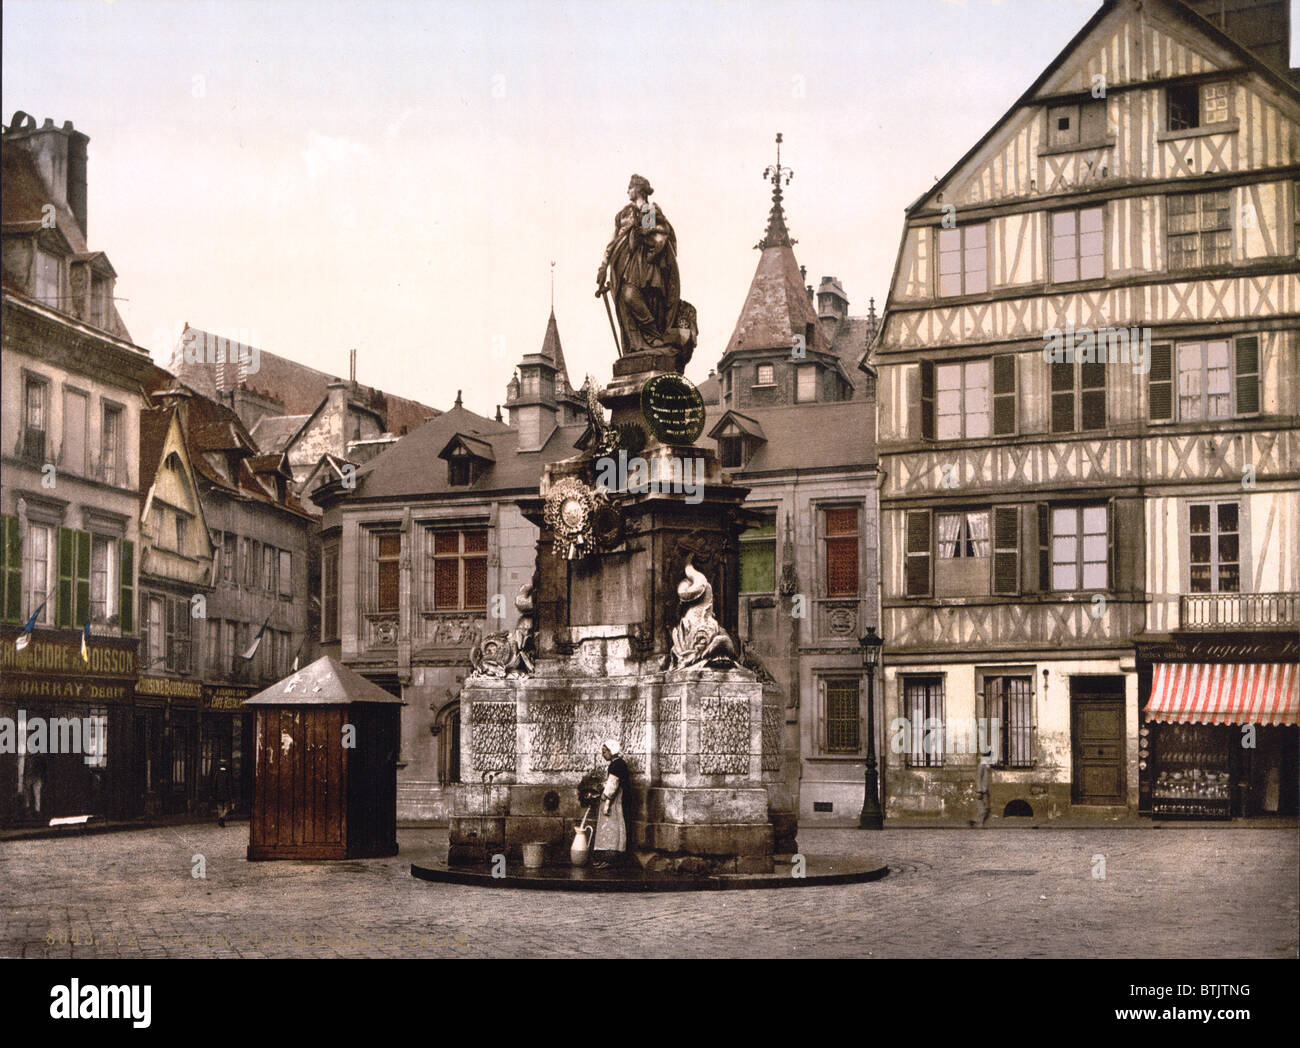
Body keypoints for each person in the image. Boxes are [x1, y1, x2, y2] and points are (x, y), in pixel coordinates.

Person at [595, 174, 697, 370]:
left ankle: (653, 338)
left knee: (631, 295)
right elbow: (612, 242)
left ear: (638, 189)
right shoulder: (623, 214)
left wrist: (639, 228)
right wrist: (603, 266)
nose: (627, 191)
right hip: (623, 264)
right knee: (626, 302)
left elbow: (653, 234)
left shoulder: (648, 209)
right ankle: (636, 345)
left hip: (645, 265)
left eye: (630, 187)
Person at [591, 739, 632, 869]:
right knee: (617, 827)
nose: (603, 755)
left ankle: (609, 857)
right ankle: (612, 857)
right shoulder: (619, 763)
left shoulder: (615, 765)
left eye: (604, 752)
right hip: (619, 799)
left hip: (615, 801)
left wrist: (606, 802)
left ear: (611, 751)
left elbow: (613, 786)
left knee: (609, 827)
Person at [973, 756, 991, 828]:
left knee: (987, 809)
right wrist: (979, 790)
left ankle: (978, 823)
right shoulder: (981, 765)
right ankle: (978, 823)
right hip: (982, 791)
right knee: (983, 809)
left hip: (985, 790)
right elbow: (979, 778)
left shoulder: (987, 765)